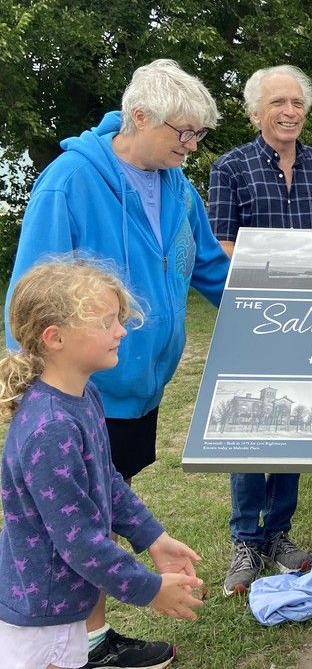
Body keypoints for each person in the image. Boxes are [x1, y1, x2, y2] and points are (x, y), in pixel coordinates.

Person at [4, 59, 229, 669]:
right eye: (182, 132)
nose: (191, 146)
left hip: (139, 384)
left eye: (199, 135)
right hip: (80, 386)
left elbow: (206, 264)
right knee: (81, 516)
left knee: (107, 497)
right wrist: (34, 382)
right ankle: (91, 643)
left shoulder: (179, 185)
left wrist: (268, 308)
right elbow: (32, 287)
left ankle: (91, 638)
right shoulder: (71, 180)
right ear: (138, 118)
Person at [0, 261, 204, 669]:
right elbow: (80, 540)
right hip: (46, 605)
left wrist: (153, 537)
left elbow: (106, 479)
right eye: (107, 322)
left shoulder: (84, 395)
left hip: (64, 596)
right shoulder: (51, 429)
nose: (121, 331)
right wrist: (150, 589)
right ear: (55, 338)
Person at [209, 65, 312, 596]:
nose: (289, 112)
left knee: (297, 416)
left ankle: (279, 534)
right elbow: (220, 247)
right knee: (250, 422)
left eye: (297, 103)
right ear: (255, 112)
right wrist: (283, 270)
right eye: (278, 103)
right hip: (255, 315)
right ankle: (247, 538)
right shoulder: (231, 168)